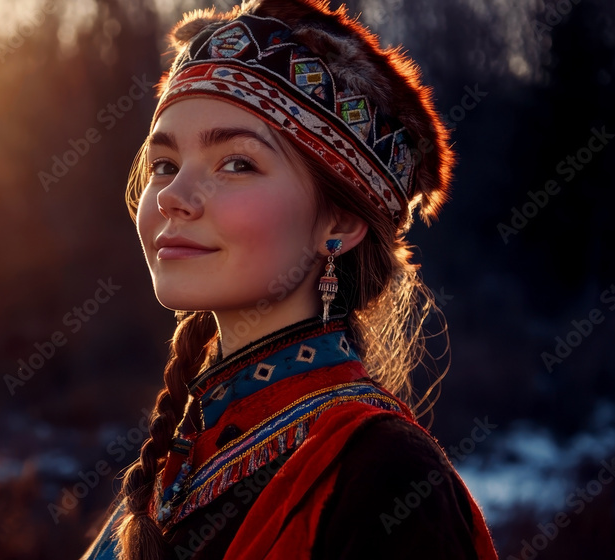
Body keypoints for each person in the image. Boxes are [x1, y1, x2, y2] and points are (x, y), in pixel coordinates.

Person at [80, 0, 499, 558]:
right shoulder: (174, 466)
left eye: (237, 164)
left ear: (339, 223)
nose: (175, 197)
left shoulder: (387, 478)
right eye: (164, 165)